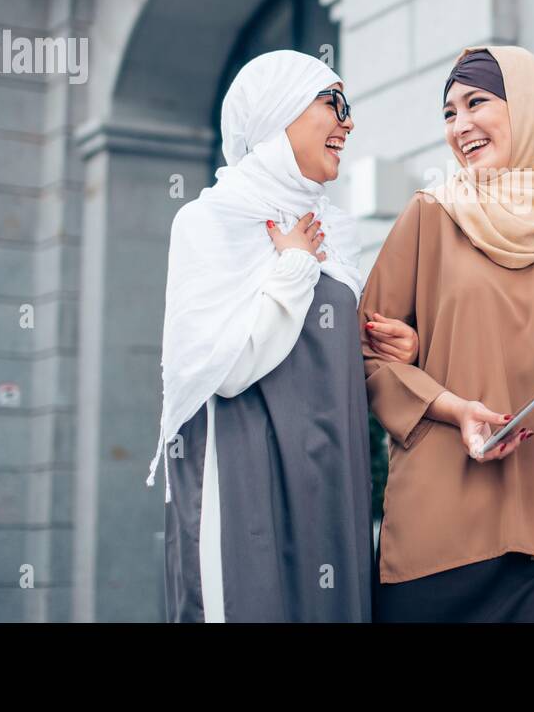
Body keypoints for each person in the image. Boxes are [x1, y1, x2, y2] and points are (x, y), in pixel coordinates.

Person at [360, 46, 534, 622]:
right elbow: (370, 351)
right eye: (448, 113)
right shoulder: (430, 215)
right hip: (437, 533)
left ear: (532, 107)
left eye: (477, 102)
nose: (460, 126)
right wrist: (451, 406)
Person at [148, 49, 414, 622]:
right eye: (332, 103)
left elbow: (332, 356)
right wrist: (292, 270)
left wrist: (385, 346)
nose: (348, 121)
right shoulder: (209, 220)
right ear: (278, 114)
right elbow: (225, 369)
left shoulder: (334, 234)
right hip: (247, 472)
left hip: (331, 476)